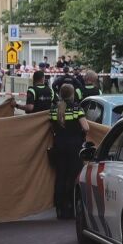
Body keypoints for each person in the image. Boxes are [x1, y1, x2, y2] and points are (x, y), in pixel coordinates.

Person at [50, 84, 89, 219]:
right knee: (73, 177)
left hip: (59, 146)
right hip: (74, 147)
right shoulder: (76, 108)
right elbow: (86, 127)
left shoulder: (54, 109)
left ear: (60, 94)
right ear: (72, 94)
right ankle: (72, 208)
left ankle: (60, 209)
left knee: (60, 177)